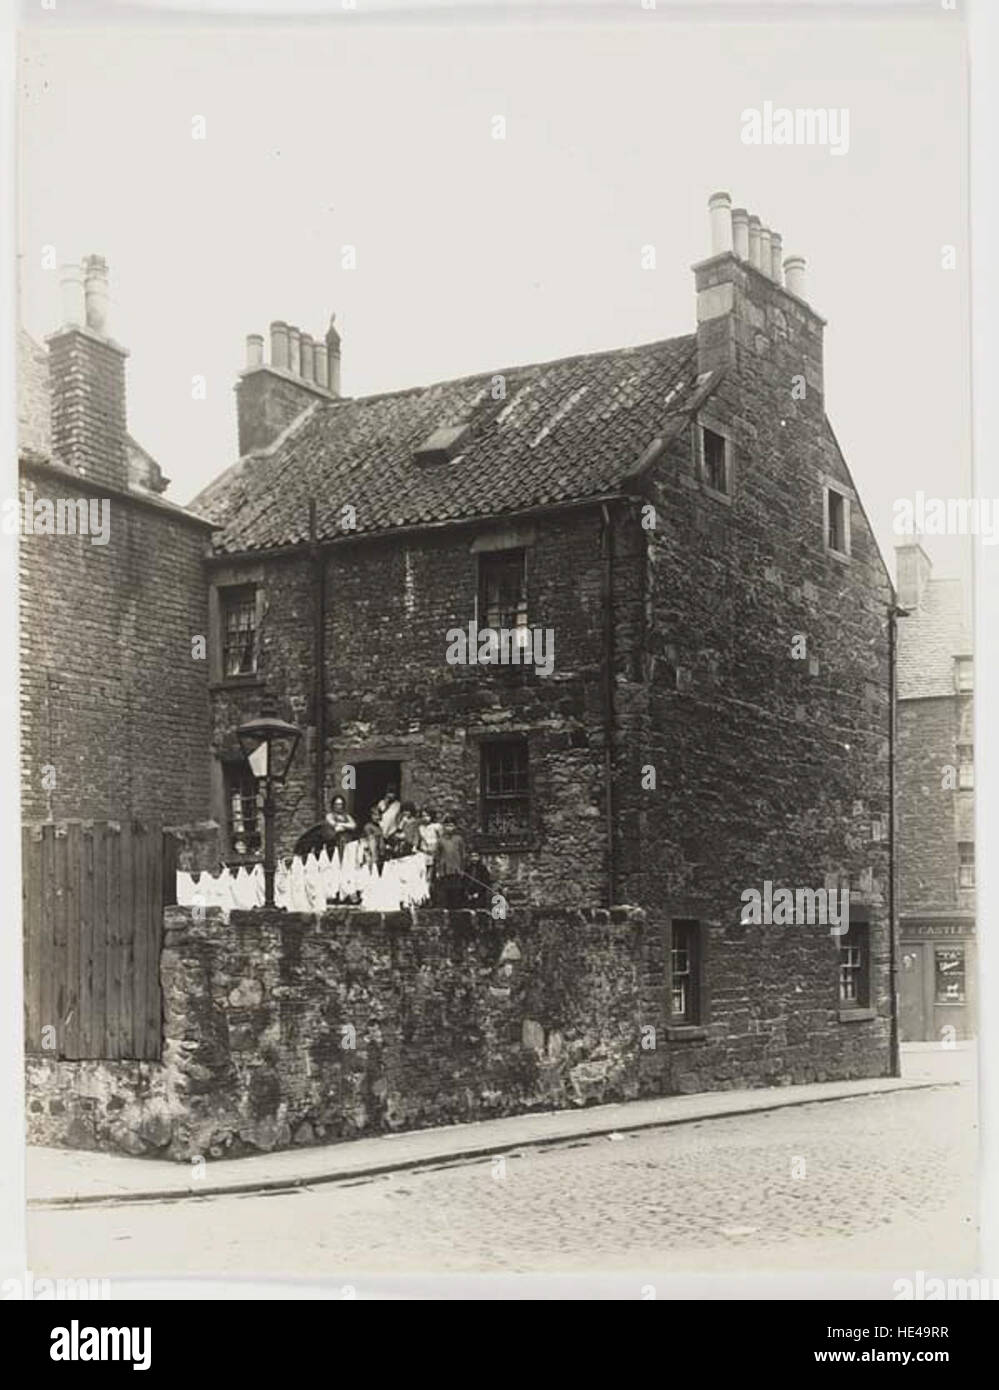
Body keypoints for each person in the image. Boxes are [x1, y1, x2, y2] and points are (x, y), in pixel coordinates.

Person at [433, 814, 466, 909]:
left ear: (455, 827)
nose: (449, 828)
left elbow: (463, 854)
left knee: (456, 892)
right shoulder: (440, 840)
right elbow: (437, 856)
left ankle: (457, 912)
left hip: (456, 870)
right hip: (445, 870)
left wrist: (462, 868)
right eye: (447, 825)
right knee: (445, 892)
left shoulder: (459, 839)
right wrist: (438, 871)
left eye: (451, 825)